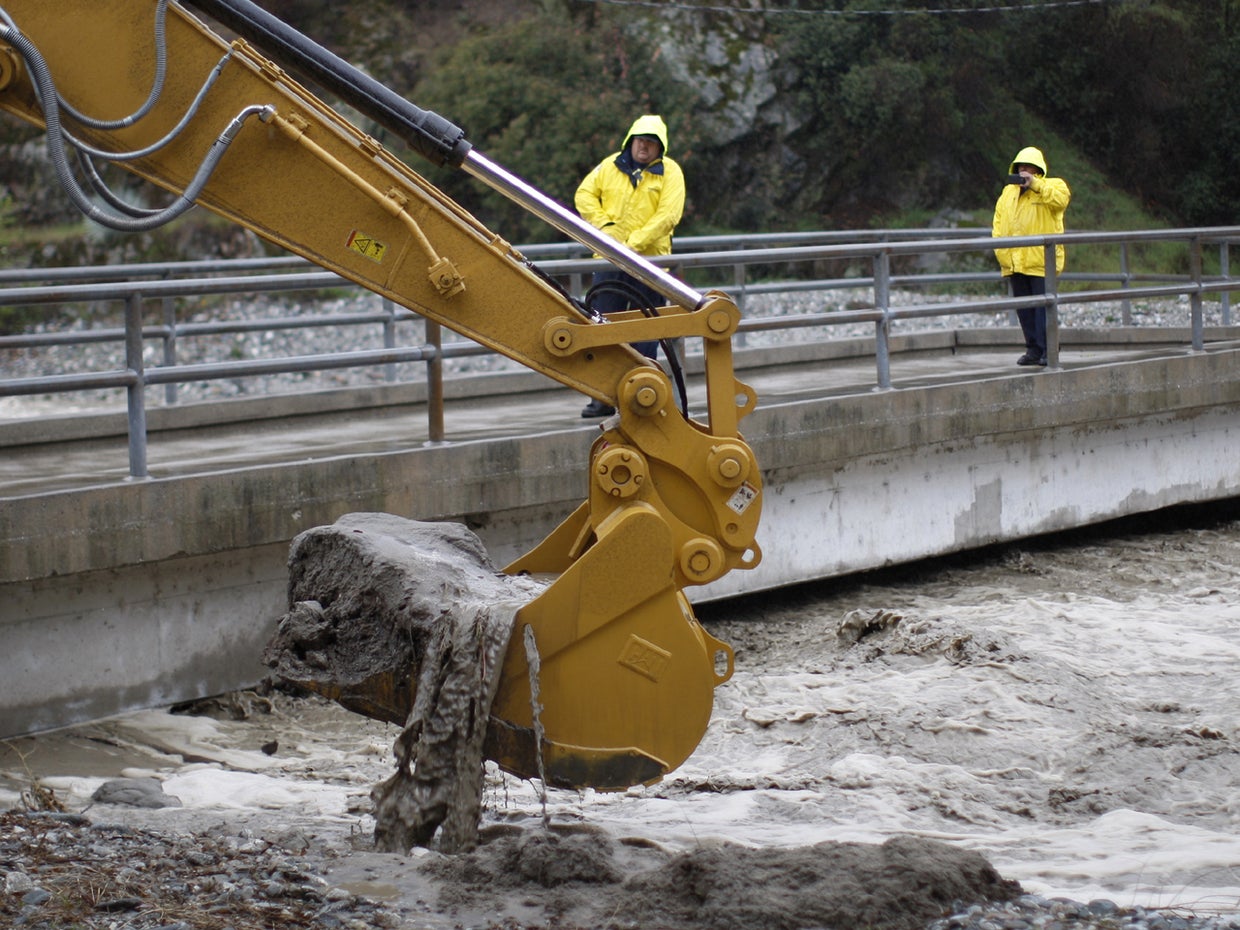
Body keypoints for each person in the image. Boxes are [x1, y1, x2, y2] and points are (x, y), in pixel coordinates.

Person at [573, 114, 685, 417]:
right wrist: (607, 230)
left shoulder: (671, 172)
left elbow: (669, 214)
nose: (644, 147)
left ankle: (640, 396)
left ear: (660, 146)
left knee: (646, 331)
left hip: (649, 264)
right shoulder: (609, 166)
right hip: (609, 260)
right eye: (640, 141)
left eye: (651, 142)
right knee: (602, 326)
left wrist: (635, 243)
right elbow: (584, 195)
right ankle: (602, 396)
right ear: (630, 141)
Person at [992, 146, 1071, 367]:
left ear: (1038, 169)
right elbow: (998, 223)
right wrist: (1001, 252)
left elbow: (1060, 200)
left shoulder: (1054, 185)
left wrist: (1035, 185)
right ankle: (1033, 349)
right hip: (1015, 261)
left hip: (1040, 262)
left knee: (1043, 309)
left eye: (1028, 167)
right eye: (1020, 166)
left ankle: (1049, 349)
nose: (1023, 170)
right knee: (1025, 309)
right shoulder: (1008, 192)